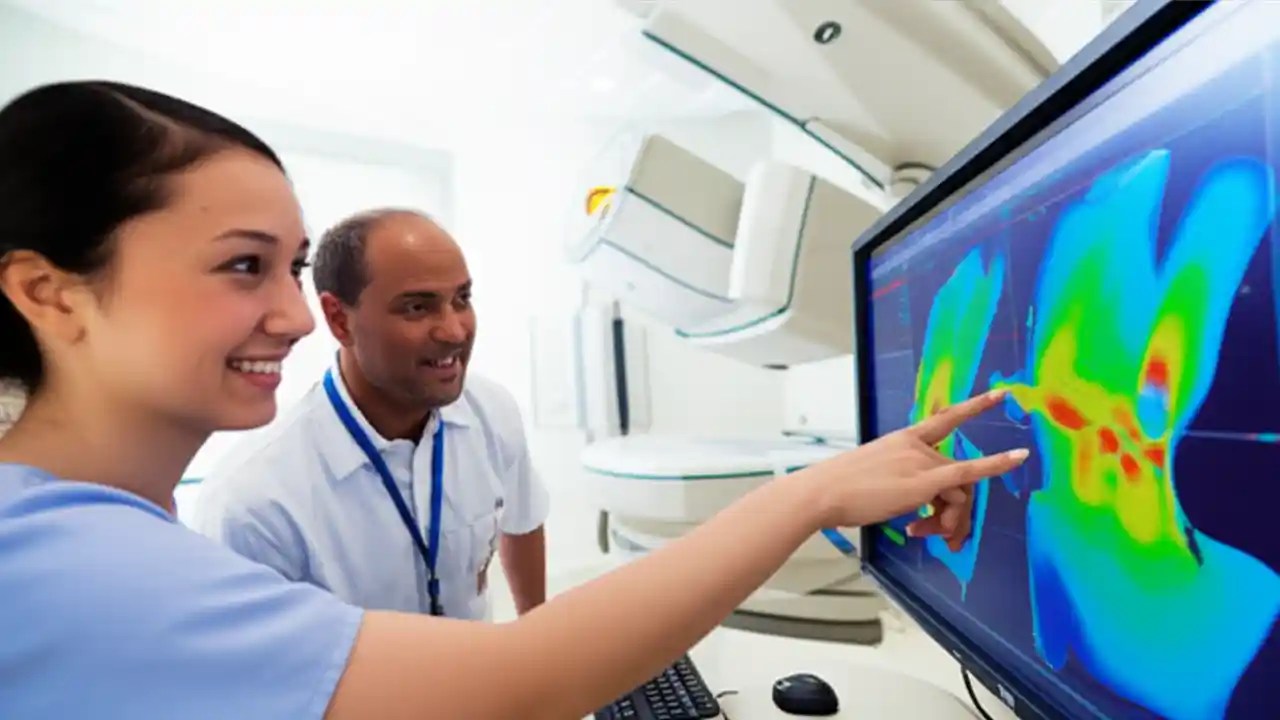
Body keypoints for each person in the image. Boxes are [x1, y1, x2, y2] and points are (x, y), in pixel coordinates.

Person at [0, 80, 1027, 720]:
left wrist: (542, 638)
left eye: (290, 268)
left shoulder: (97, 525)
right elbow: (520, 682)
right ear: (48, 293)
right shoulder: (69, 563)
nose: (292, 317)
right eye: (240, 266)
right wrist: (813, 491)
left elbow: (521, 604)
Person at [194, 208, 548, 619]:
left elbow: (524, 521)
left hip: (482, 658)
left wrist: (536, 635)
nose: (454, 331)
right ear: (339, 320)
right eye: (417, 307)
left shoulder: (491, 412)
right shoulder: (255, 503)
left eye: (462, 299)